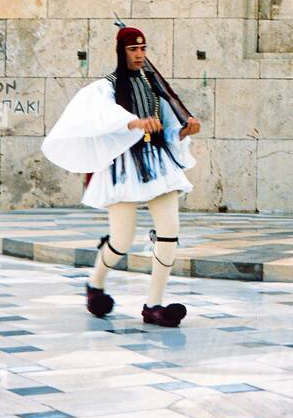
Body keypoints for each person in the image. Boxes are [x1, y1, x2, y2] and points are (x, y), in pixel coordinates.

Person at [40, 26, 200, 326]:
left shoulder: (153, 87)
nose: (140, 55)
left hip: (157, 163)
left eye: (143, 49)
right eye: (133, 50)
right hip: (122, 168)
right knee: (122, 240)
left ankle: (154, 306)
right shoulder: (106, 87)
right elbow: (100, 117)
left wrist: (184, 129)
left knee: (169, 233)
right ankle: (95, 284)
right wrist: (134, 123)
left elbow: (166, 126)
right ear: (121, 51)